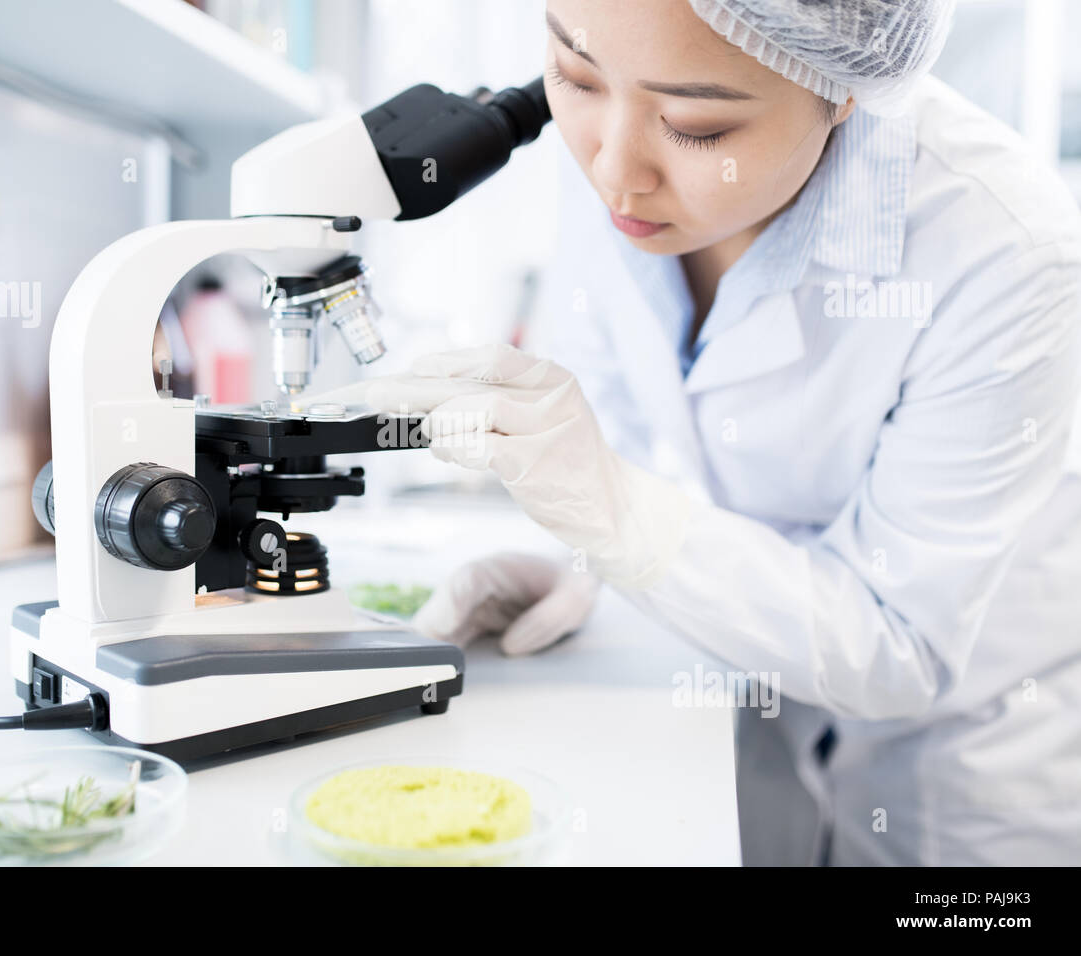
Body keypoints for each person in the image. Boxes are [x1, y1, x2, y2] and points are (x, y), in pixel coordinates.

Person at [320, 0, 1081, 865]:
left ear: (844, 94)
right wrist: (591, 563)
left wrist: (622, 523)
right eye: (572, 74)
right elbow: (627, 438)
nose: (613, 171)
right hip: (755, 689)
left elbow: (898, 643)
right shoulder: (626, 156)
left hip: (968, 755)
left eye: (696, 127)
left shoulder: (1005, 247)